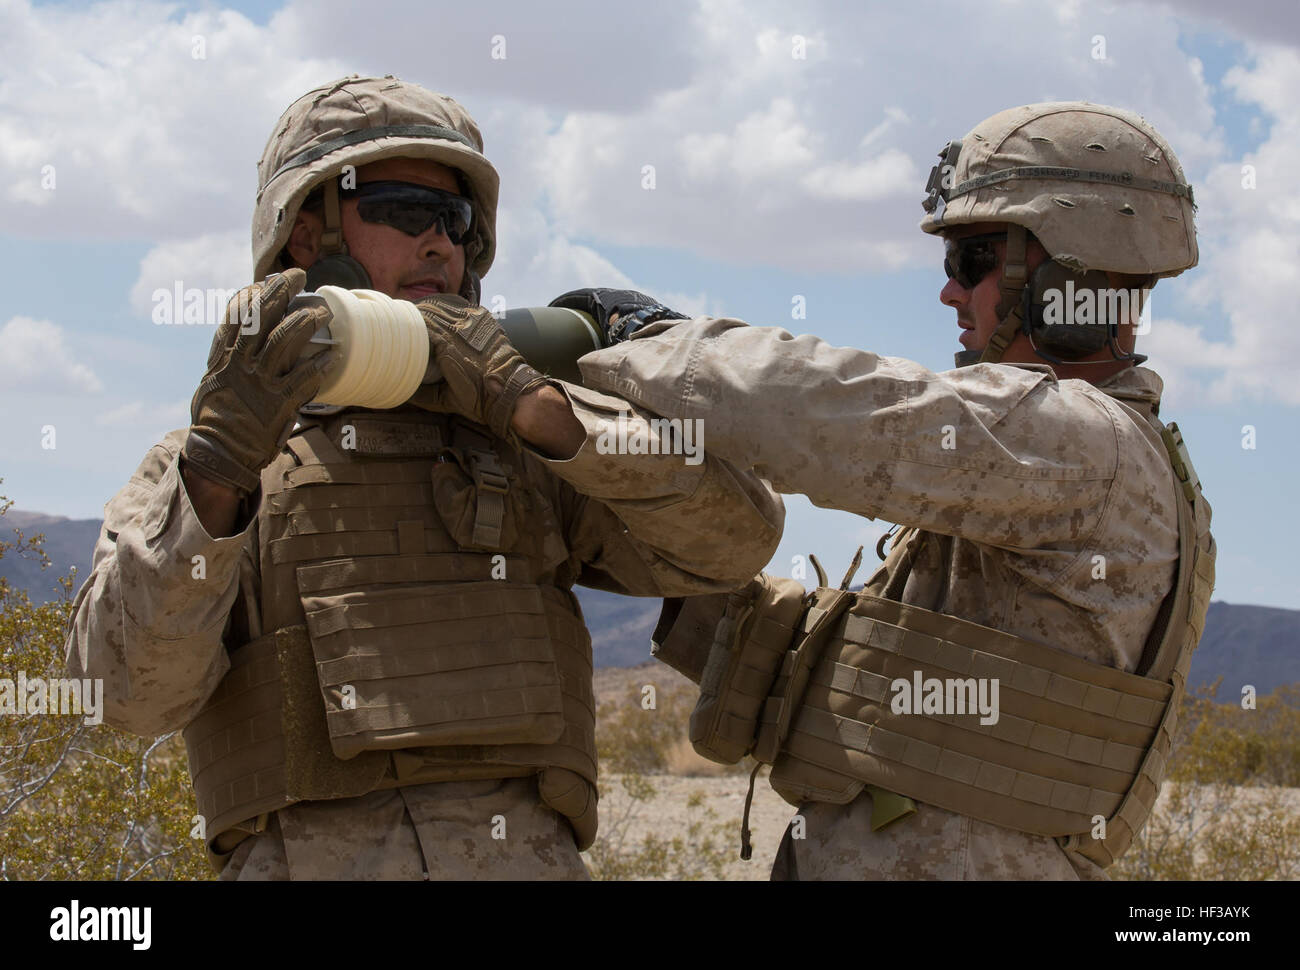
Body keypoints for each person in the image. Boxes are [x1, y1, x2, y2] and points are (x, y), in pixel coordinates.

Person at [63, 74, 783, 880]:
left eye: (458, 220)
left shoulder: (522, 432)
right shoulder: (205, 468)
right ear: (306, 234)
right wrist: (222, 467)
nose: (441, 243)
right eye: (407, 211)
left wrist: (546, 415)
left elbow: (736, 541)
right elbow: (125, 698)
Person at [558, 101, 1216, 880]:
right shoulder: (1080, 453)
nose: (949, 294)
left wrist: (642, 337)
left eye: (970, 261)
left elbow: (838, 412)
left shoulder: (1079, 441)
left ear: (1066, 270)